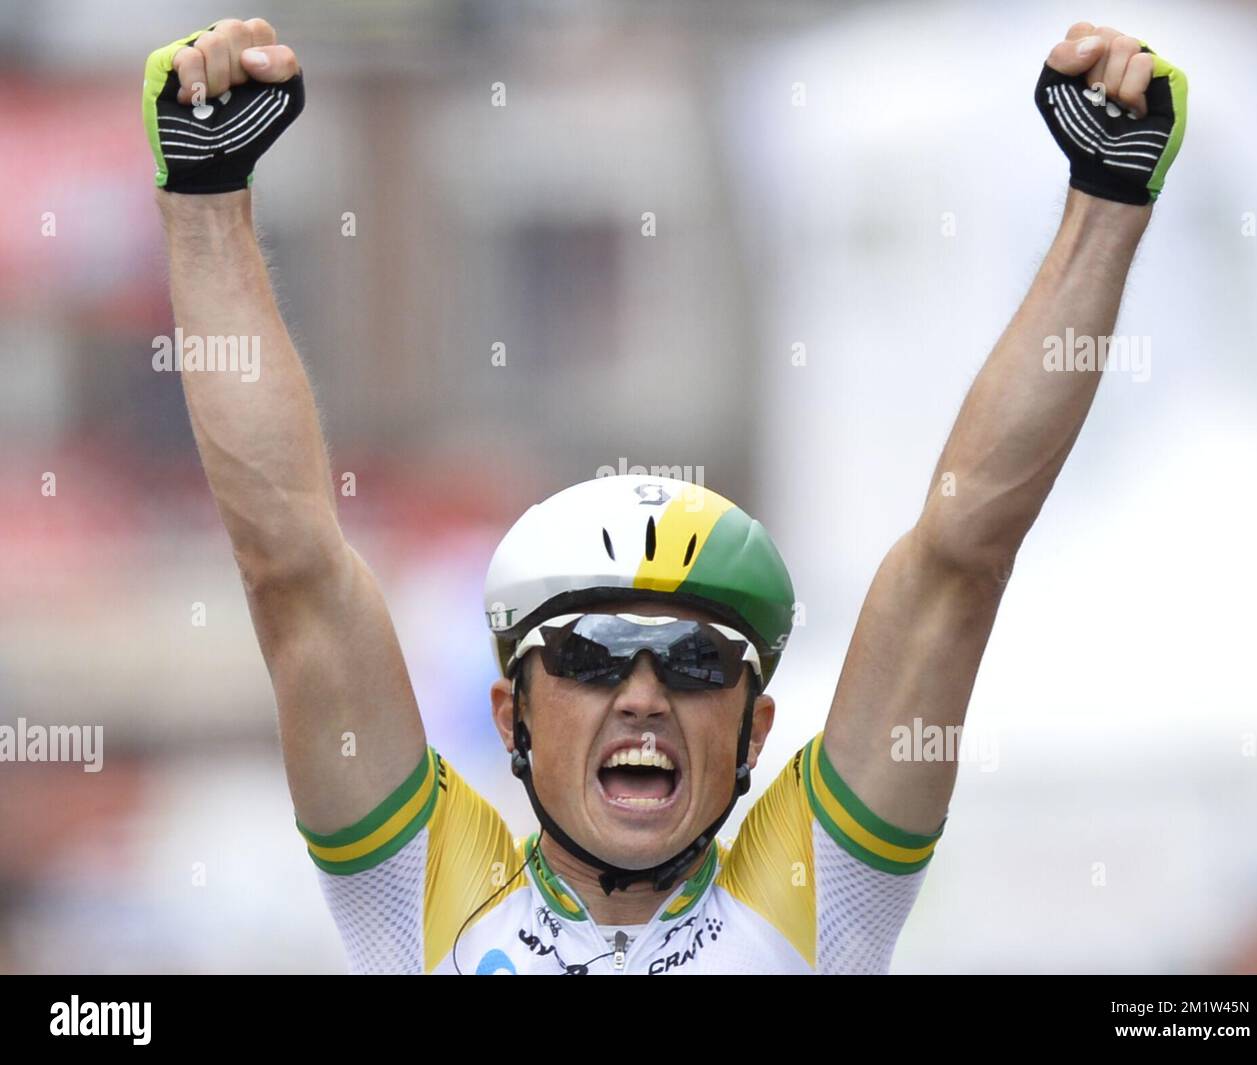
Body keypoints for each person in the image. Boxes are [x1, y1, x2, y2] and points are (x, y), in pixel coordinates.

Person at [142, 18, 1186, 973]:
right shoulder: (425, 899)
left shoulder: (817, 898)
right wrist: (205, 199)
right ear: (511, 715)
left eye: (695, 663)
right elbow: (289, 565)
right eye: (591, 655)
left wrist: (1105, 204)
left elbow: (961, 556)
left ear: (755, 732)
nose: (642, 695)